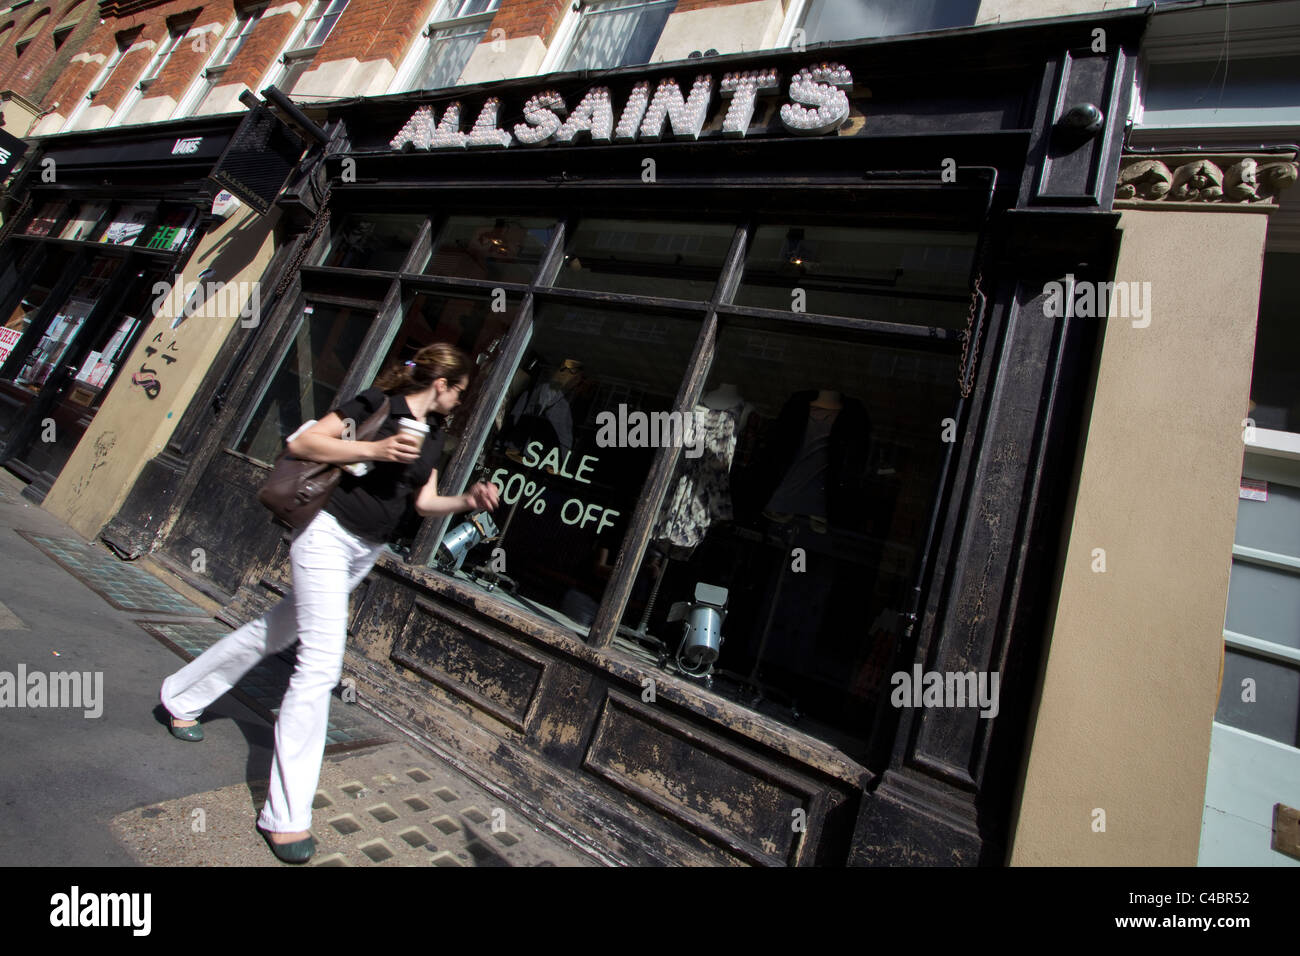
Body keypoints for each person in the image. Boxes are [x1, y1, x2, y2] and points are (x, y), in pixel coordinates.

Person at [159, 343, 499, 864]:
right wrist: (374, 450)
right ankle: (287, 816)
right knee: (320, 665)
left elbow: (425, 503)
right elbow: (305, 440)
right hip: (326, 533)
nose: (460, 402)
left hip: (366, 550)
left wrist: (465, 502)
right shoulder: (377, 406)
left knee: (272, 633)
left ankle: (180, 697)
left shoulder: (434, 437)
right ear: (442, 384)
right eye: (461, 391)